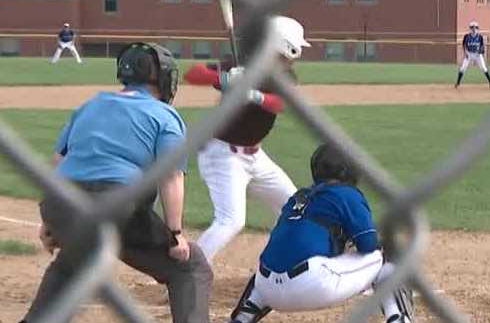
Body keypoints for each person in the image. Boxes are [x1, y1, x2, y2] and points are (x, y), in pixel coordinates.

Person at [22, 42, 211, 323]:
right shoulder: (165, 116)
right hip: (116, 202)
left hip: (60, 202)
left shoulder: (91, 105)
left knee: (75, 259)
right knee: (190, 266)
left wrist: (50, 220)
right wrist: (175, 233)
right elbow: (171, 177)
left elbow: (57, 165)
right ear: (161, 78)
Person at [227, 144, 415, 323]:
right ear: (346, 170)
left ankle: (241, 318)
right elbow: (368, 244)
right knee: (389, 253)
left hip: (267, 290)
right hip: (313, 285)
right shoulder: (348, 194)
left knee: (272, 263)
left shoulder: (298, 197)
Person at [182, 16, 310, 262]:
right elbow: (193, 74)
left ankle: (285, 259)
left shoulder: (285, 76)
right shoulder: (239, 65)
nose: (294, 58)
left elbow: (280, 103)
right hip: (222, 155)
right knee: (231, 221)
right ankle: (188, 271)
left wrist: (251, 93)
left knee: (295, 206)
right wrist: (224, 79)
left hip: (256, 157)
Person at [455, 21, 490, 89]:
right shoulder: (466, 36)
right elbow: (464, 45)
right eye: (472, 27)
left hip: (477, 54)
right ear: (470, 28)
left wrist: (481, 51)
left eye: (475, 27)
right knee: (463, 68)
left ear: (477, 28)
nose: (474, 29)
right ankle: (457, 84)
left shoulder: (480, 37)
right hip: (469, 54)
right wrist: (465, 53)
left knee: (483, 68)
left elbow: (482, 45)